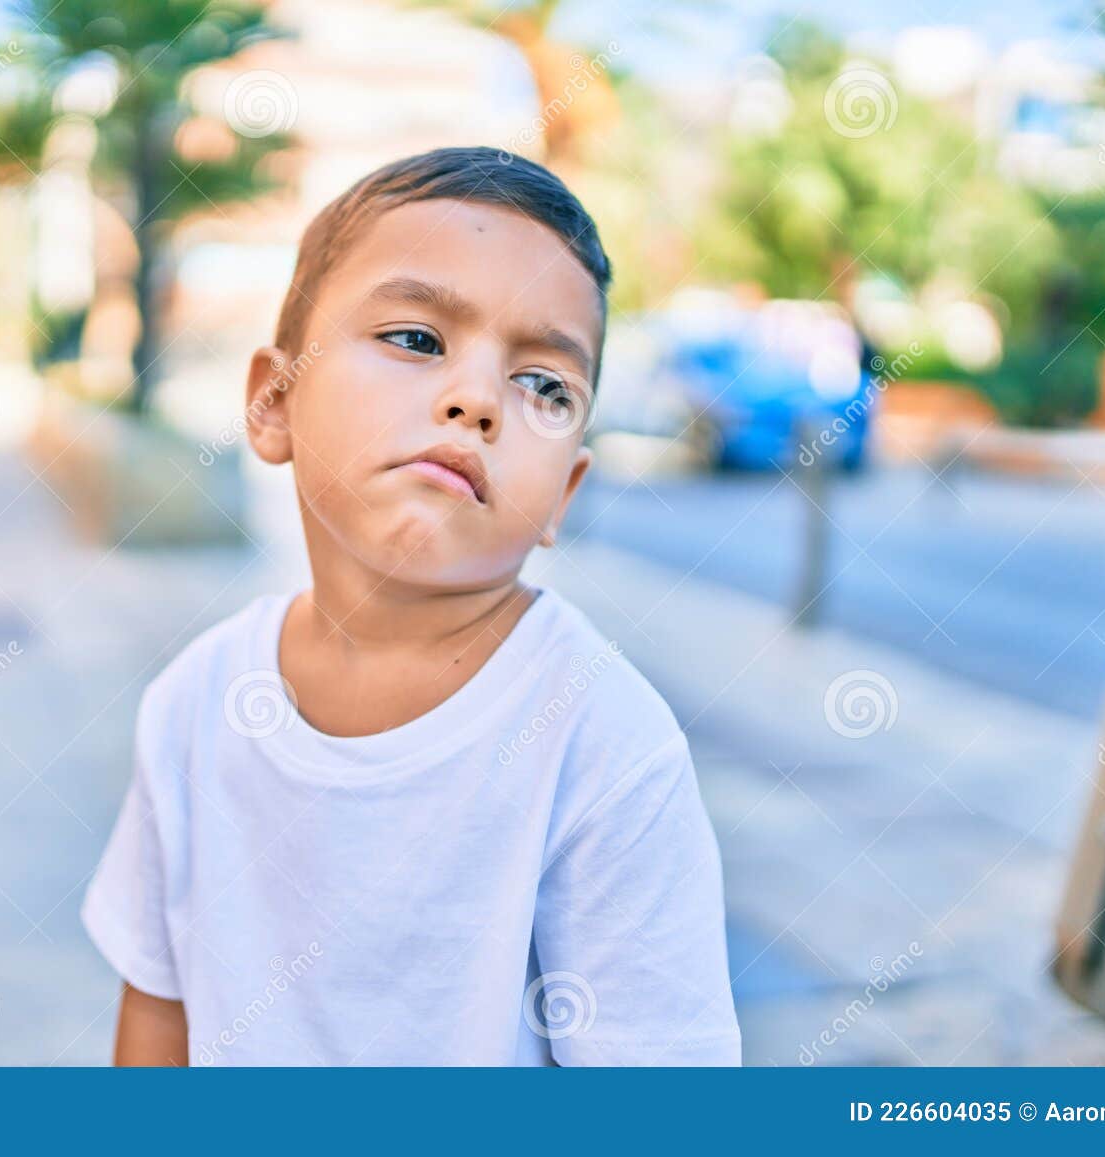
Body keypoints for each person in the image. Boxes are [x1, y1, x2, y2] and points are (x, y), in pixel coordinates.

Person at [81, 146, 740, 1066]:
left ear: (563, 495)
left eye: (545, 385)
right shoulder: (194, 703)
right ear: (274, 400)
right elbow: (159, 1007)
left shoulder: (603, 743)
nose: (477, 400)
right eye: (418, 339)